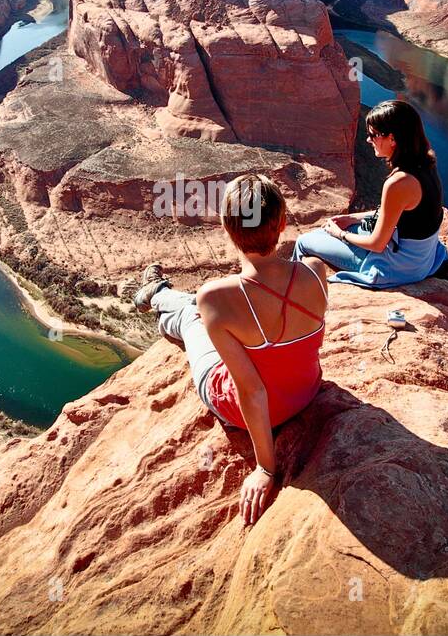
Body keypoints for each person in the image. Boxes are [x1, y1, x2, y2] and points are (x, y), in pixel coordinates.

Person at [132, 173, 327, 526]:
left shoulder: (216, 295)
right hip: (306, 393)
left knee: (192, 317)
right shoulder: (315, 271)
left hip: (242, 409)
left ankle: (158, 296)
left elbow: (251, 393)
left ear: (226, 227)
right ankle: (162, 298)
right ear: (282, 223)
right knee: (202, 309)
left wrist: (266, 468)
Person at [292, 98, 448, 288]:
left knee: (303, 241)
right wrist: (352, 218)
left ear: (392, 139)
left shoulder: (398, 183)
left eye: (373, 135)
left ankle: (294, 296)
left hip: (398, 266)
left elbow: (377, 244)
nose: (368, 139)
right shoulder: (426, 161)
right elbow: (397, 214)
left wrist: (340, 233)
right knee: (334, 232)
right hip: (423, 257)